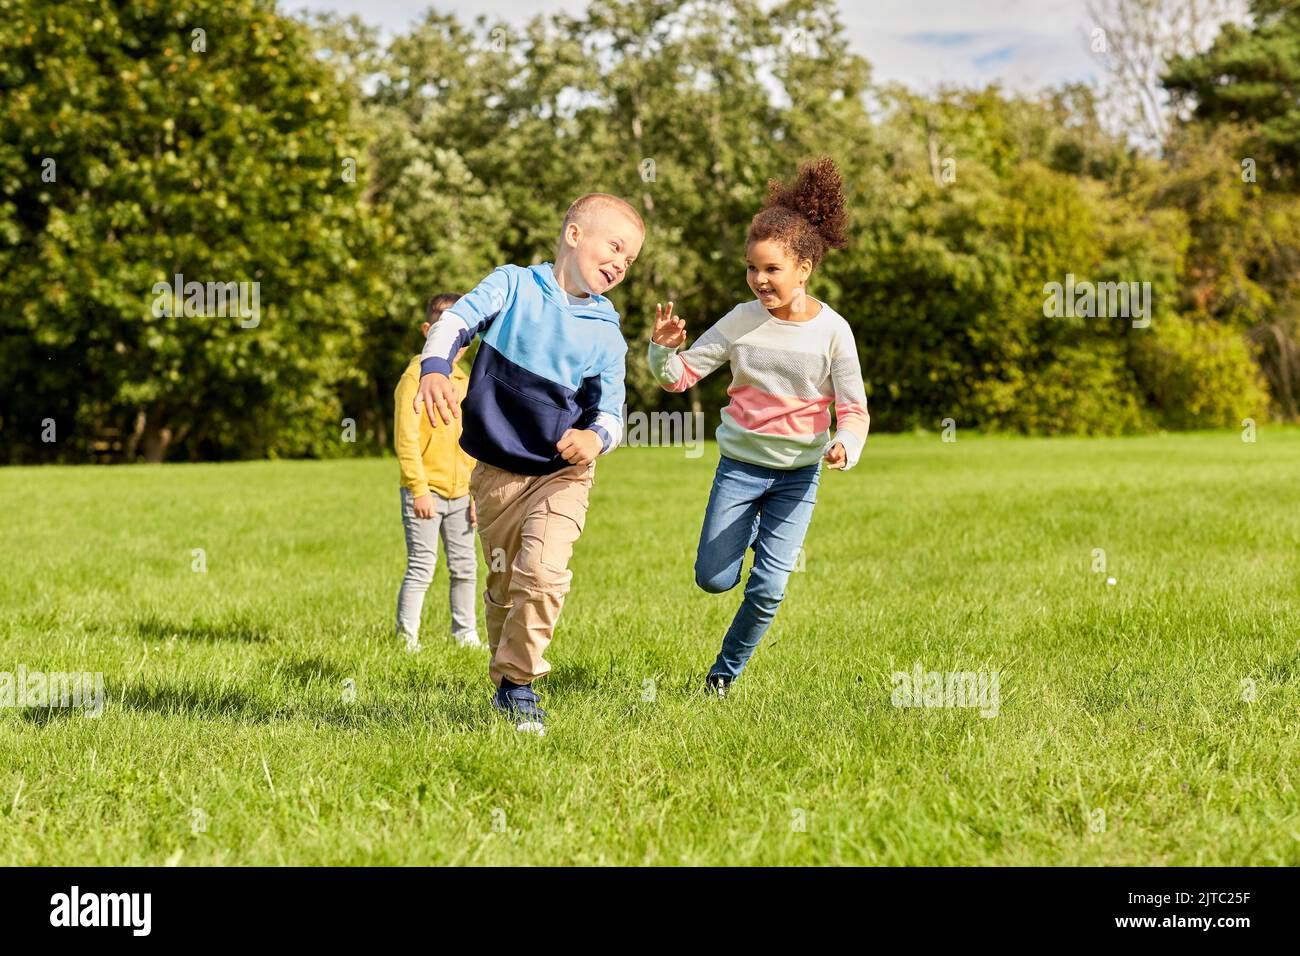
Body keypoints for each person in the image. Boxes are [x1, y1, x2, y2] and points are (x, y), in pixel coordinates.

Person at [416, 193, 645, 734]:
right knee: (503, 588)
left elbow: (612, 410)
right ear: (573, 235)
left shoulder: (606, 333)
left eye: (630, 260)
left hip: (562, 475)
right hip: (496, 474)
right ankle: (504, 685)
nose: (620, 263)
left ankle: (520, 685)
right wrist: (433, 367)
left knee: (542, 575)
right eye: (614, 247)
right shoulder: (513, 285)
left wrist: (595, 439)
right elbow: (459, 320)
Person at [647, 157, 868, 696]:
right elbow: (678, 379)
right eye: (752, 269)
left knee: (768, 588)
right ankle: (744, 530)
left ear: (804, 268)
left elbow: (854, 409)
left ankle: (723, 677)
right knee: (714, 578)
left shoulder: (834, 331)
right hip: (740, 472)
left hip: (798, 476)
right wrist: (661, 349)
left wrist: (845, 445)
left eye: (771, 269)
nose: (759, 279)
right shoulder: (742, 321)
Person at [394, 292, 481, 652]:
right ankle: (406, 639)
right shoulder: (414, 380)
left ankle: (465, 635)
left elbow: (474, 441)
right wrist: (419, 489)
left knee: (466, 568)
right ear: (428, 330)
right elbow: (406, 439)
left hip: (463, 494)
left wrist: (477, 494)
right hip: (426, 492)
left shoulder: (464, 382)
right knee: (422, 567)